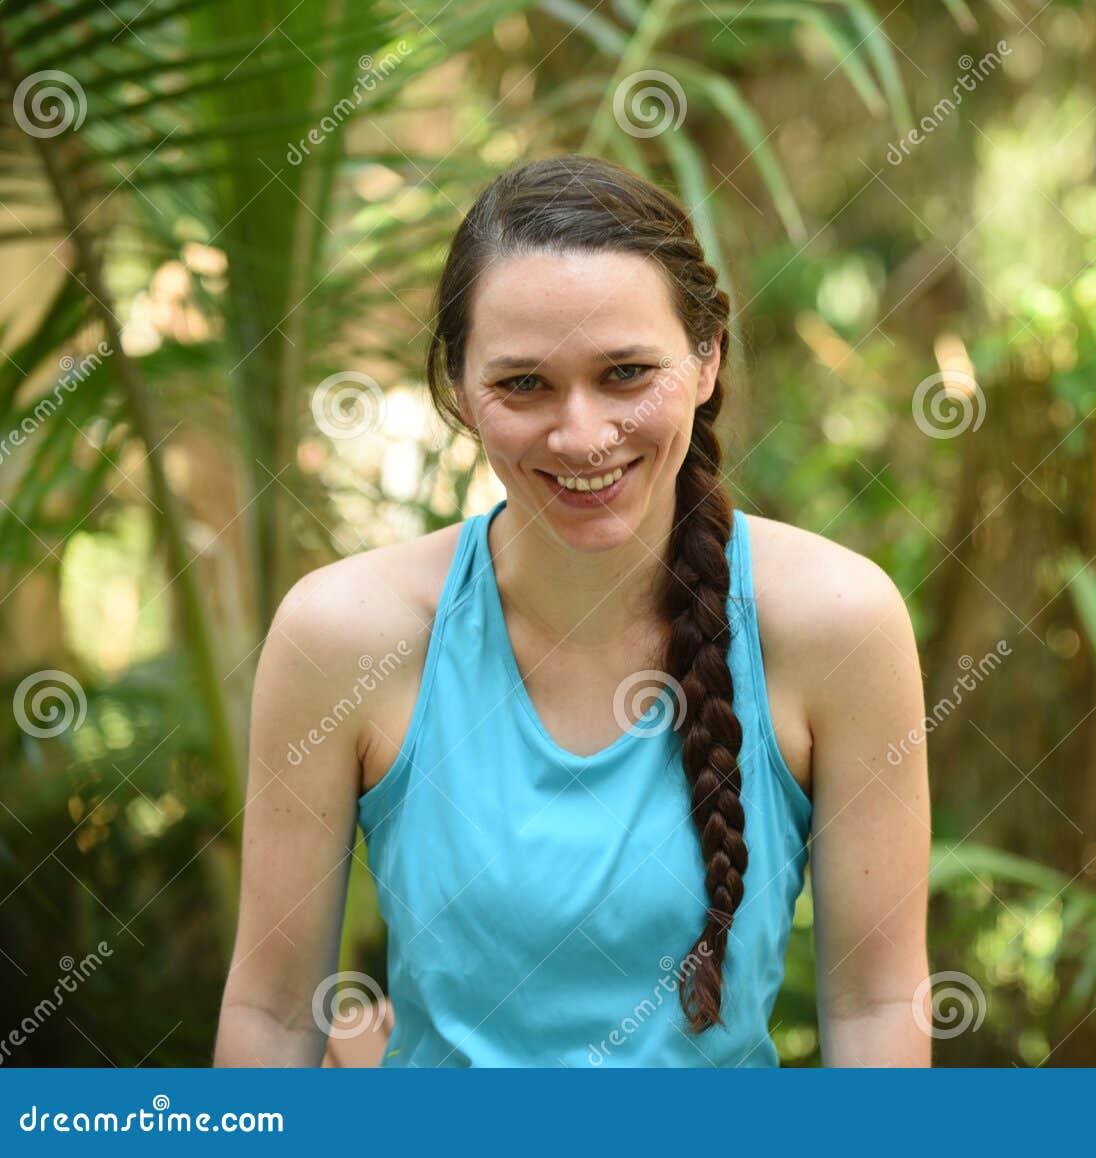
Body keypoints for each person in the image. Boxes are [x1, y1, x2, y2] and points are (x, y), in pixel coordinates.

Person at [214, 154, 932, 1067]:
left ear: (706, 360)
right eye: (524, 384)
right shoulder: (344, 635)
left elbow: (877, 1004)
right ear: (460, 393)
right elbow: (276, 1015)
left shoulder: (838, 623)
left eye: (626, 373)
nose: (582, 435)